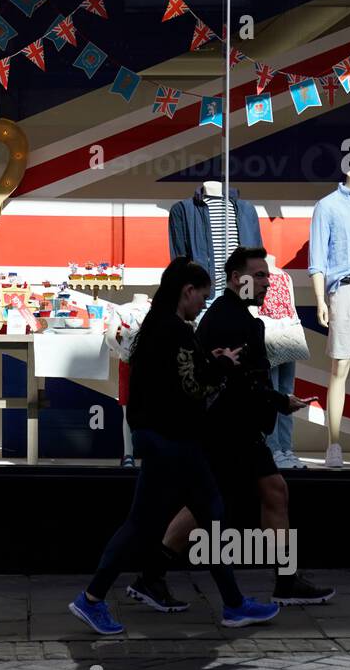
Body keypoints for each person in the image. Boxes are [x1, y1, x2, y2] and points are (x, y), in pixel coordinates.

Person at [69, 259, 281, 634]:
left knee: (207, 514)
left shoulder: (156, 325)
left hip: (160, 437)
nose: (203, 303)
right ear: (187, 291)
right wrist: (223, 368)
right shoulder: (177, 331)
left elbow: (175, 375)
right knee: (148, 522)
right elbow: (193, 387)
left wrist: (209, 361)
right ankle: (92, 598)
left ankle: (233, 604)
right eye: (201, 296)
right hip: (174, 440)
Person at [151, 246, 334, 608]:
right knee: (220, 502)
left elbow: (244, 379)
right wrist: (276, 401)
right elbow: (233, 381)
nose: (268, 281)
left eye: (267, 274)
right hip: (231, 430)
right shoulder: (228, 319)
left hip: (234, 428)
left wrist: (280, 401)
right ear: (238, 279)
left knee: (266, 492)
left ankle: (283, 581)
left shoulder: (235, 315)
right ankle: (156, 578)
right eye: (261, 275)